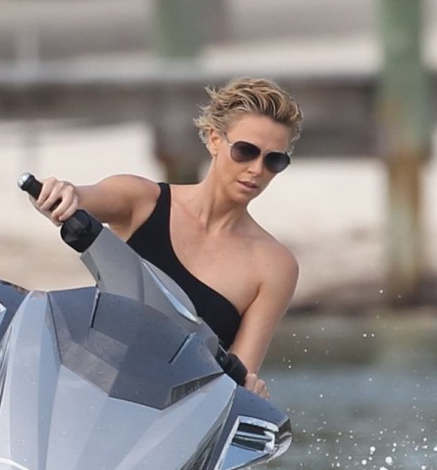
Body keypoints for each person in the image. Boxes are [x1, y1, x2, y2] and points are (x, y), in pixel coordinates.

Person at [29, 77, 301, 398]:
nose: (257, 169)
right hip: (86, 388)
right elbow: (77, 197)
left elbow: (238, 378)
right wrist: (55, 193)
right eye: (245, 151)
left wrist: (250, 392)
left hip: (169, 418)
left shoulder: (275, 266)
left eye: (274, 160)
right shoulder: (141, 201)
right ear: (214, 140)